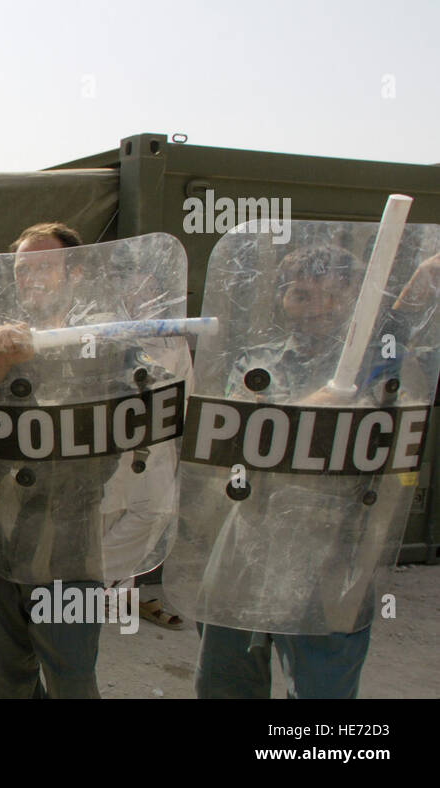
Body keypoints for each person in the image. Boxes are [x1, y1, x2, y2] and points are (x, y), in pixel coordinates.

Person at [192, 244, 426, 698]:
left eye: (333, 295)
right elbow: (233, 440)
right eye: (301, 294)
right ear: (282, 299)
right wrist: (325, 400)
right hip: (247, 544)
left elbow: (400, 449)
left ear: (354, 298)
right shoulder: (256, 365)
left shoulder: (389, 372)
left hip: (335, 553)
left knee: (324, 692)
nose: (317, 308)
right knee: (225, 681)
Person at [0, 222, 176, 698]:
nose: (31, 278)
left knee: (71, 674)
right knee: (5, 675)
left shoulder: (104, 338)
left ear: (76, 272)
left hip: (70, 538)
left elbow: (155, 393)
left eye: (45, 266)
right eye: (22, 269)